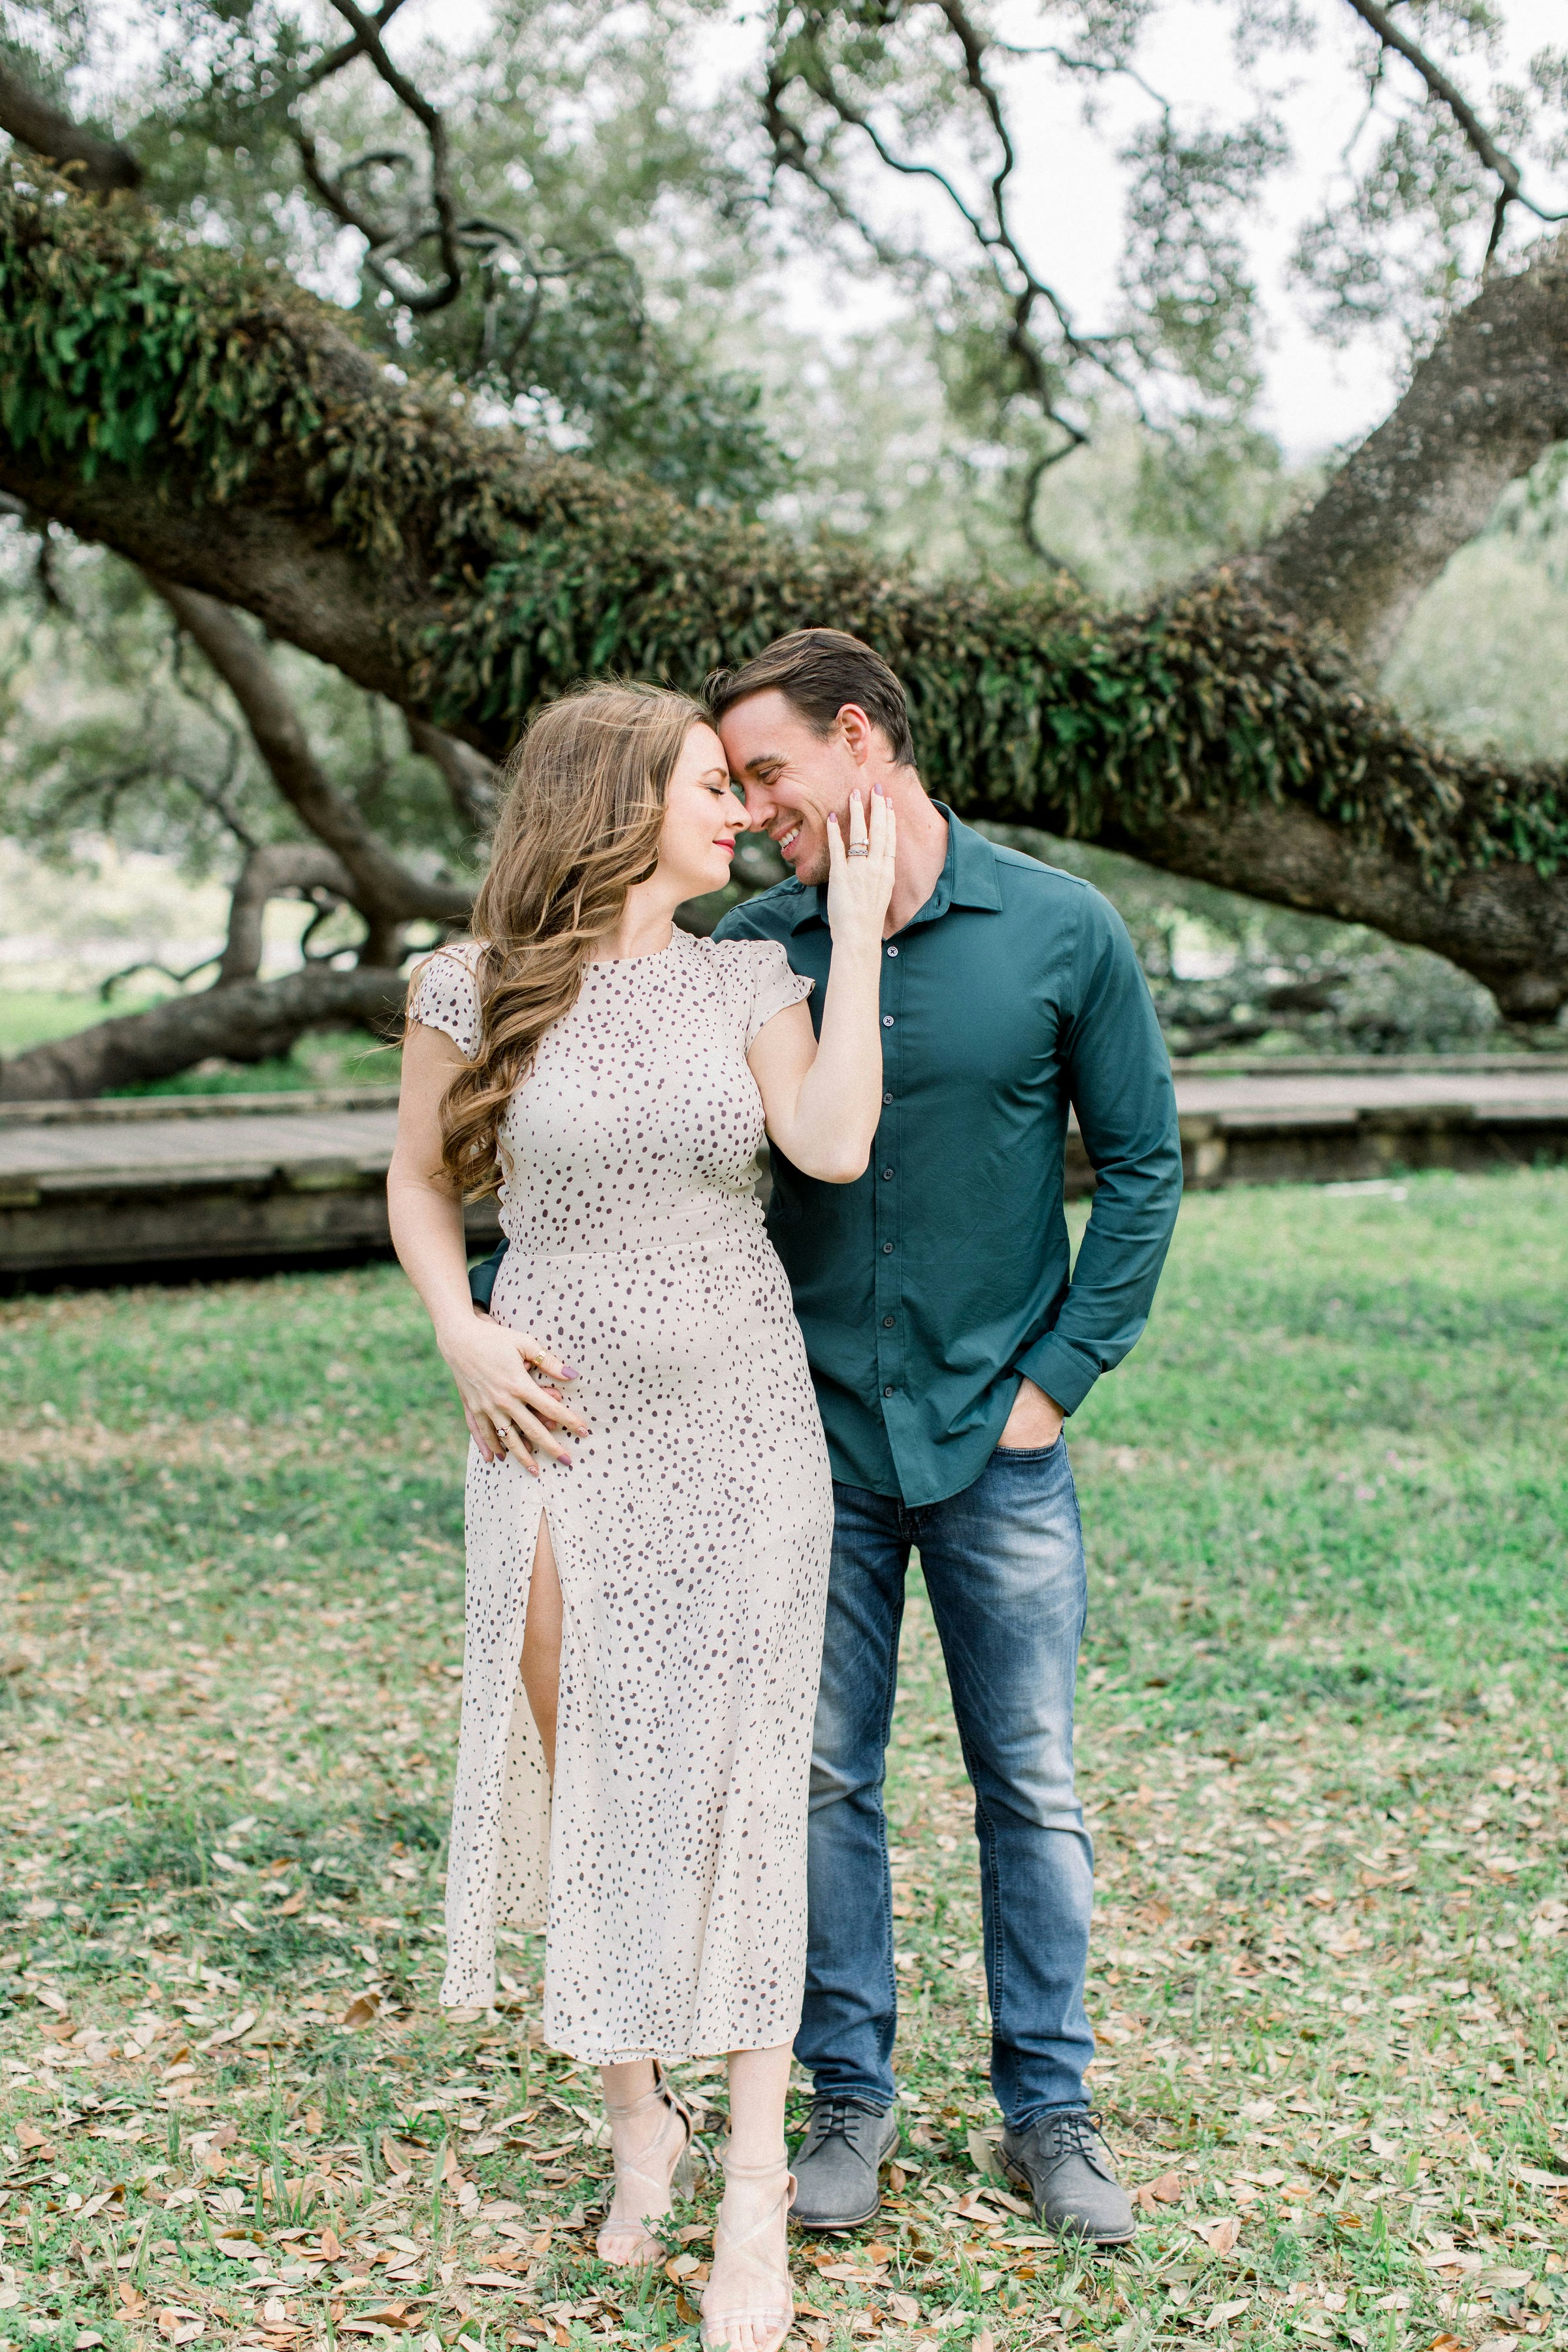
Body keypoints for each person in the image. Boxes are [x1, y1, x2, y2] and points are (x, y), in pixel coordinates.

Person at [387, 680, 896, 2352]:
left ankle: (753, 2187)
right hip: (556, 1419)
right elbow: (418, 1179)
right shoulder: (470, 987)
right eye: (707, 786)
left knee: (749, 1769)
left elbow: (826, 1143)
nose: (738, 813)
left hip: (743, 1422)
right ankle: (638, 2116)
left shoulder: (754, 971)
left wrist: (864, 942)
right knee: (587, 1748)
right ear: (613, 802)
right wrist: (460, 1326)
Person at [707, 629, 1184, 2245]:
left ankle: (1051, 2111)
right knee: (825, 1778)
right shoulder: (759, 951)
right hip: (812, 1444)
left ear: (861, 740)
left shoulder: (1063, 928)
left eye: (768, 771)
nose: (752, 807)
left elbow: (1144, 1166)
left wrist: (1058, 1378)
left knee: (1031, 1785)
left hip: (1004, 1442)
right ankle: (850, 2098)